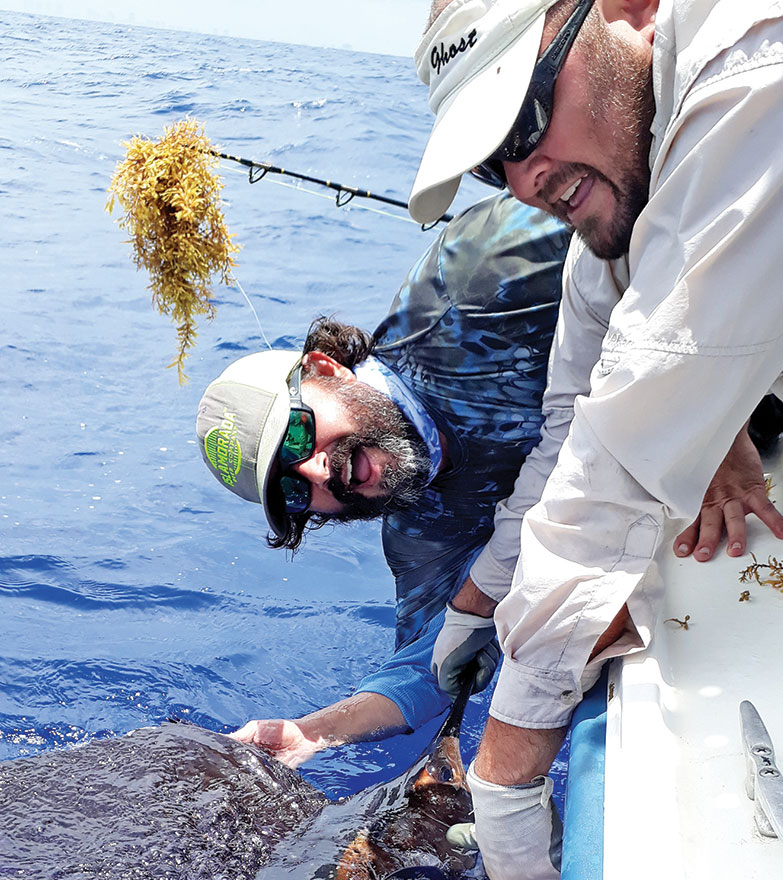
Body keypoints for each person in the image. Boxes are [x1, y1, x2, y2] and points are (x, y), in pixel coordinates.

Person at [407, 0, 783, 880]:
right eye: (493, 163)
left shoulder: (760, 73)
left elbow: (611, 475)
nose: (523, 180)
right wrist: (476, 602)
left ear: (632, 10)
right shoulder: (610, 236)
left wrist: (505, 781)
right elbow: (568, 435)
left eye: (526, 120)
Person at [196, 193, 570, 764]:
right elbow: (430, 668)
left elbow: (659, 206)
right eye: (295, 491)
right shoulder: (422, 535)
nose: (317, 471)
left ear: (325, 368)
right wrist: (310, 733)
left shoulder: (476, 277)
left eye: (297, 435)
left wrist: (711, 446)